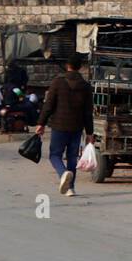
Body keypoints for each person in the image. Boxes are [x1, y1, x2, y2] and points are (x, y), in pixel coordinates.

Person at [35, 54, 95, 197]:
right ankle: (70, 188)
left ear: (67, 66)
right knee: (72, 157)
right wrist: (90, 133)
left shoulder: (58, 82)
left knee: (55, 155)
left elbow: (48, 105)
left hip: (59, 125)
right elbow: (88, 112)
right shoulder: (85, 86)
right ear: (80, 67)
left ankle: (63, 174)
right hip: (77, 127)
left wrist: (41, 123)